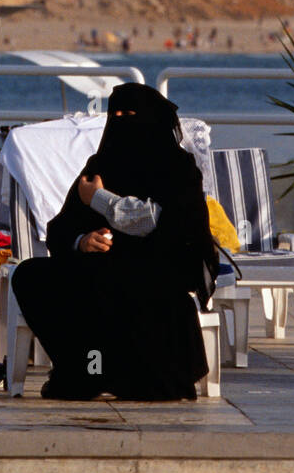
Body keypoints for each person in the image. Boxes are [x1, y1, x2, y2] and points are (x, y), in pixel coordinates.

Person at [11, 82, 218, 401]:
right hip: (99, 268)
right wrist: (82, 240)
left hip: (158, 269)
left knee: (125, 285)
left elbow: (156, 220)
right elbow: (62, 225)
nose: (122, 122)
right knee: (31, 276)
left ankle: (124, 378)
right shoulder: (100, 165)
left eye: (131, 114)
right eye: (115, 114)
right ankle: (88, 373)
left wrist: (99, 199)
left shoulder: (178, 169)